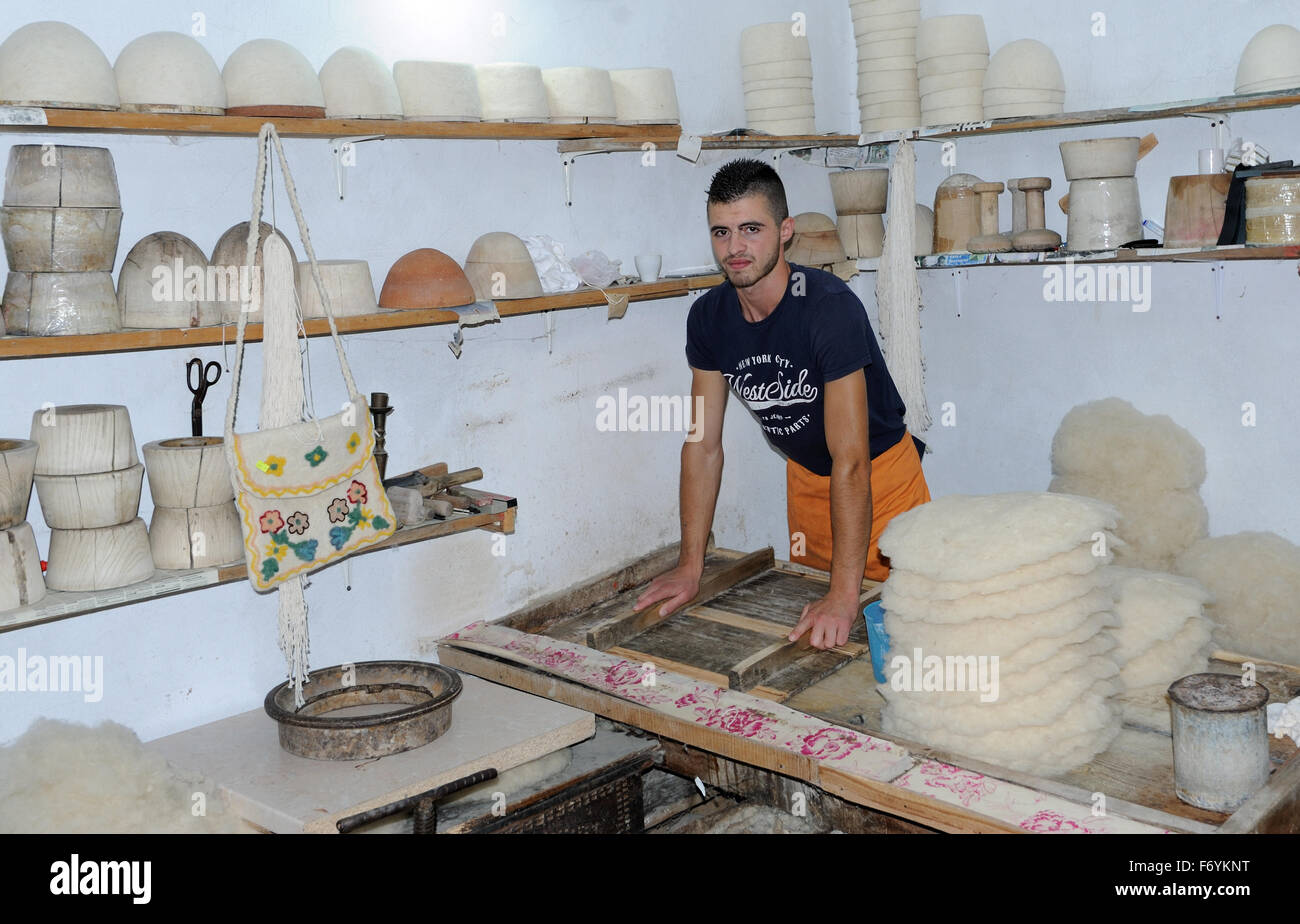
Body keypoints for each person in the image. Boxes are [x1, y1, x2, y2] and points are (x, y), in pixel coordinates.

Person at [633, 158, 930, 650]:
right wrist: (691, 565)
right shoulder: (708, 318)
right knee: (820, 640)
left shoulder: (827, 308)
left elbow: (851, 459)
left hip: (882, 480)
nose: (735, 248)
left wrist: (844, 591)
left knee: (906, 629)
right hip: (809, 485)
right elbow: (702, 446)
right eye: (721, 232)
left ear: (784, 231)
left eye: (751, 229)